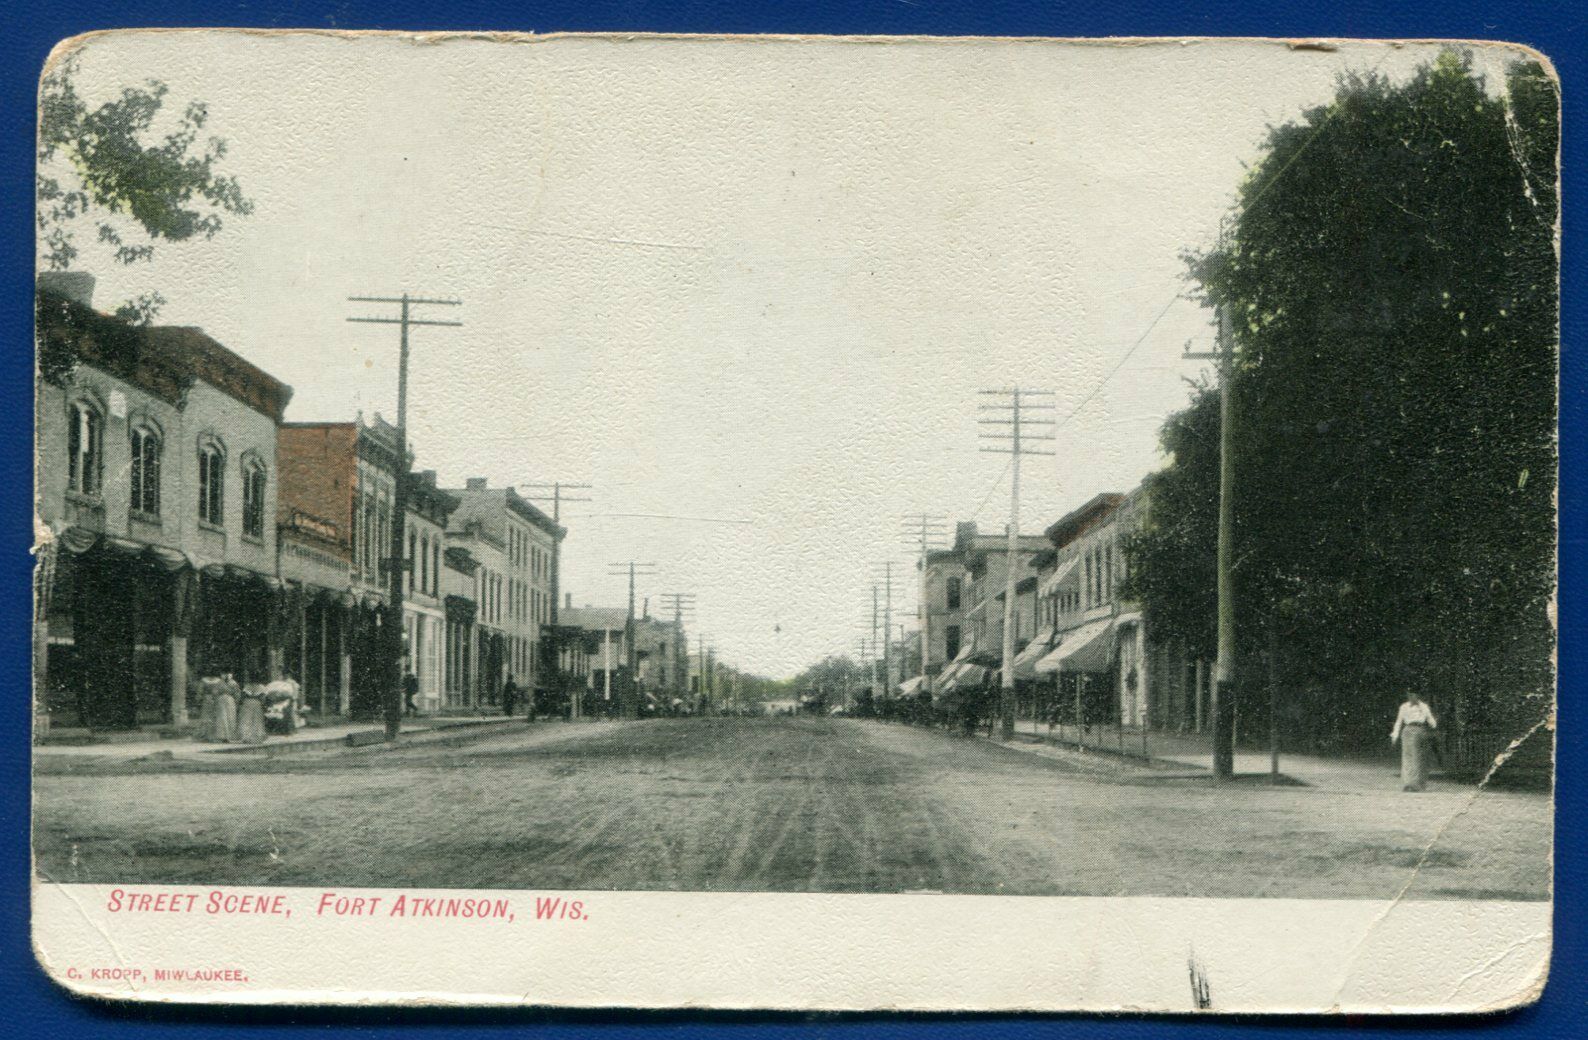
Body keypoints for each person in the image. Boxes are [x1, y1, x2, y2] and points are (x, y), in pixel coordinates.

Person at [1391, 691, 1439, 792]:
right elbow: (1399, 721)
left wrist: (1433, 723)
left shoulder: (1423, 706)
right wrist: (1395, 735)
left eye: (1413, 694)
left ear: (1418, 695)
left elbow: (1431, 721)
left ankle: (1417, 784)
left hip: (1419, 730)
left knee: (1418, 757)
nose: (1411, 697)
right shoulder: (1404, 706)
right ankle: (1408, 783)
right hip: (1407, 730)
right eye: (1409, 695)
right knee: (1407, 756)